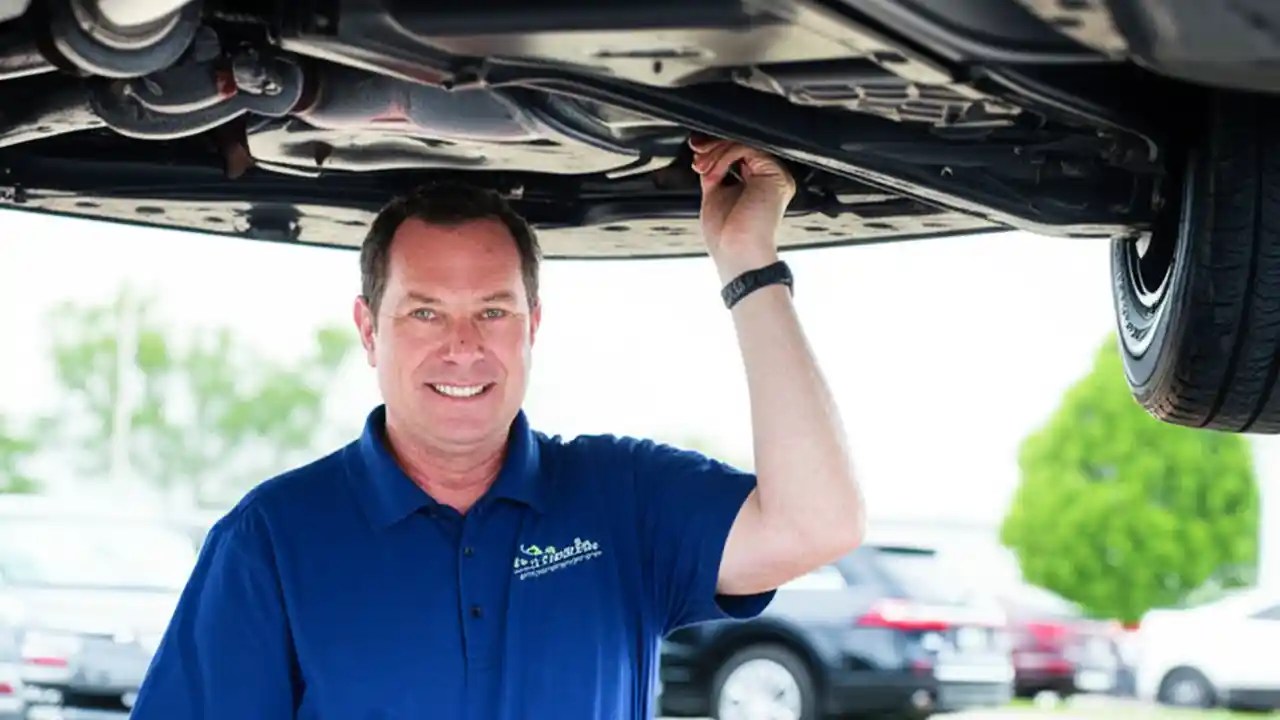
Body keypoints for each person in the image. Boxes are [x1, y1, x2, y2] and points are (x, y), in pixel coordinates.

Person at [128, 137, 866, 719]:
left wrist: (748, 261)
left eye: (493, 311)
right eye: (424, 312)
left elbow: (818, 523)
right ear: (368, 330)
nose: (463, 346)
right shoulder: (272, 541)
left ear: (532, 326)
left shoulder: (624, 501)